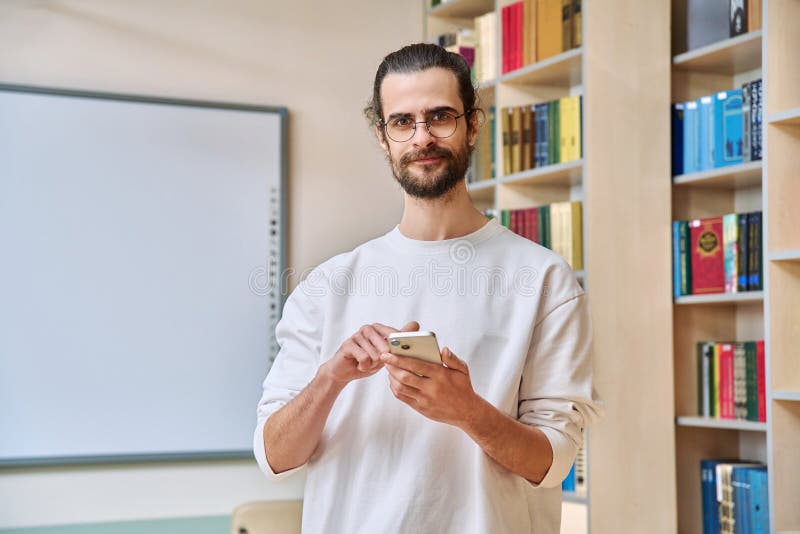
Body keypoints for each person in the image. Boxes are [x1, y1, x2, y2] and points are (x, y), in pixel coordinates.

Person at [253, 43, 603, 534]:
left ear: (474, 124)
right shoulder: (327, 286)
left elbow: (554, 463)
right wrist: (331, 378)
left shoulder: (543, 280)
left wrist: (468, 412)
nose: (423, 137)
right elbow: (274, 456)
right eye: (402, 122)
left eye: (440, 117)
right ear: (382, 135)